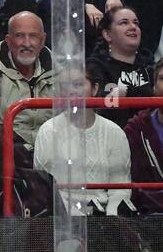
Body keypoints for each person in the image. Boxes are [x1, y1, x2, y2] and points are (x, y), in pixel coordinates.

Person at [34, 65, 132, 215]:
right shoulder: (48, 131)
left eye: (78, 84)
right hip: (61, 219)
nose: (72, 91)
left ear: (95, 89)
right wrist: (73, 216)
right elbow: (44, 188)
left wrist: (111, 220)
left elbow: (120, 188)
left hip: (104, 218)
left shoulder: (114, 132)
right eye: (66, 86)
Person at [0, 10, 54, 159]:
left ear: (43, 40)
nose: (27, 43)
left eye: (33, 36)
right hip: (9, 158)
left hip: (54, 153)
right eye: (19, 36)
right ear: (8, 41)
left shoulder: (61, 71)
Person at [87, 6, 154, 127]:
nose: (133, 27)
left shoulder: (149, 65)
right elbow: (103, 104)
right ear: (107, 35)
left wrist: (126, 92)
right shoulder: (95, 67)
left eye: (136, 23)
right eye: (124, 23)